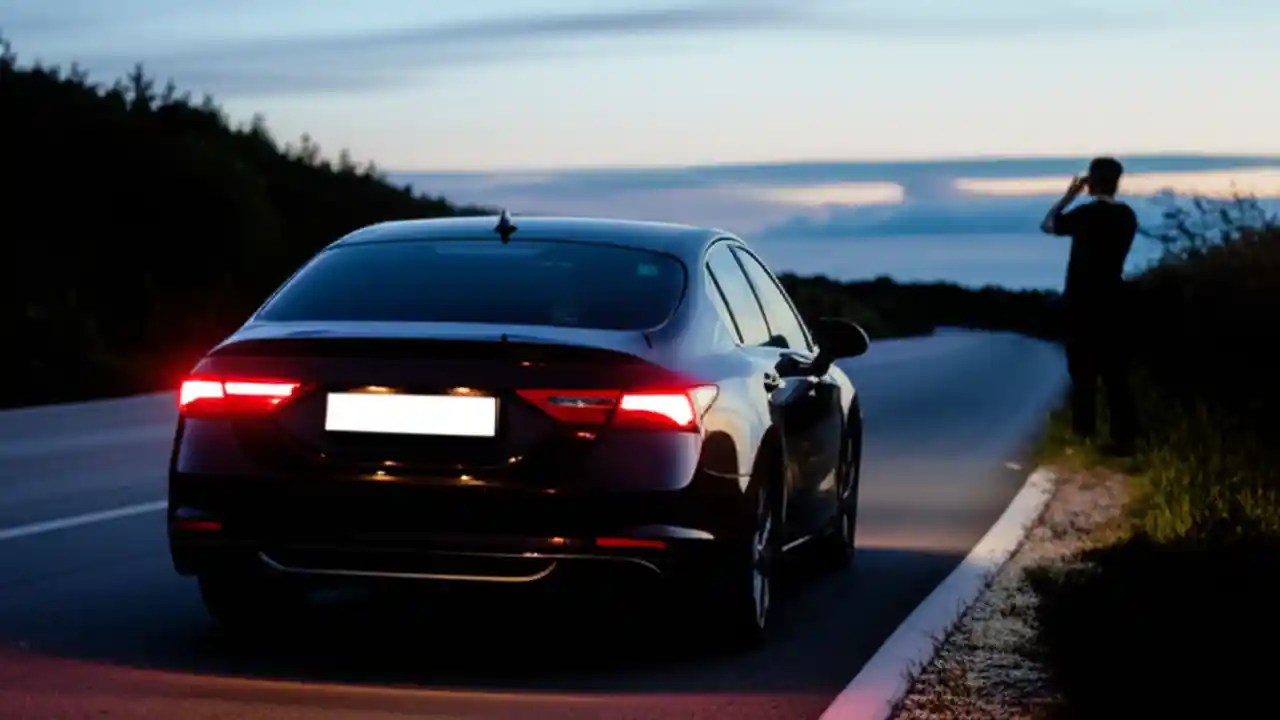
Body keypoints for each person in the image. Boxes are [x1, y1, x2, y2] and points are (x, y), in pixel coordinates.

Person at [1040, 156, 1139, 453]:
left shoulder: (1084, 214)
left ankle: (1085, 434)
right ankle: (1124, 436)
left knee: (1083, 372)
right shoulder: (1127, 216)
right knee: (1115, 373)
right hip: (1113, 298)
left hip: (1082, 300)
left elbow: (1047, 225)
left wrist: (1068, 197)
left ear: (1091, 182)